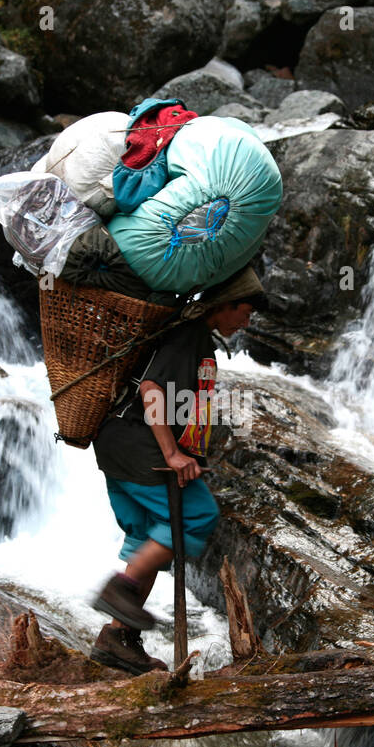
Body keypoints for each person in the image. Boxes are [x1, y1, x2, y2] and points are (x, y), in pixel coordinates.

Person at [88, 266, 268, 675]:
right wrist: (172, 454)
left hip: (117, 444)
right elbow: (151, 390)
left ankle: (117, 641)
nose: (247, 320)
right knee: (197, 515)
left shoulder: (193, 338)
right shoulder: (189, 337)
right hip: (140, 446)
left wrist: (188, 450)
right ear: (224, 304)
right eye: (245, 310)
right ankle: (119, 590)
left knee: (146, 535)